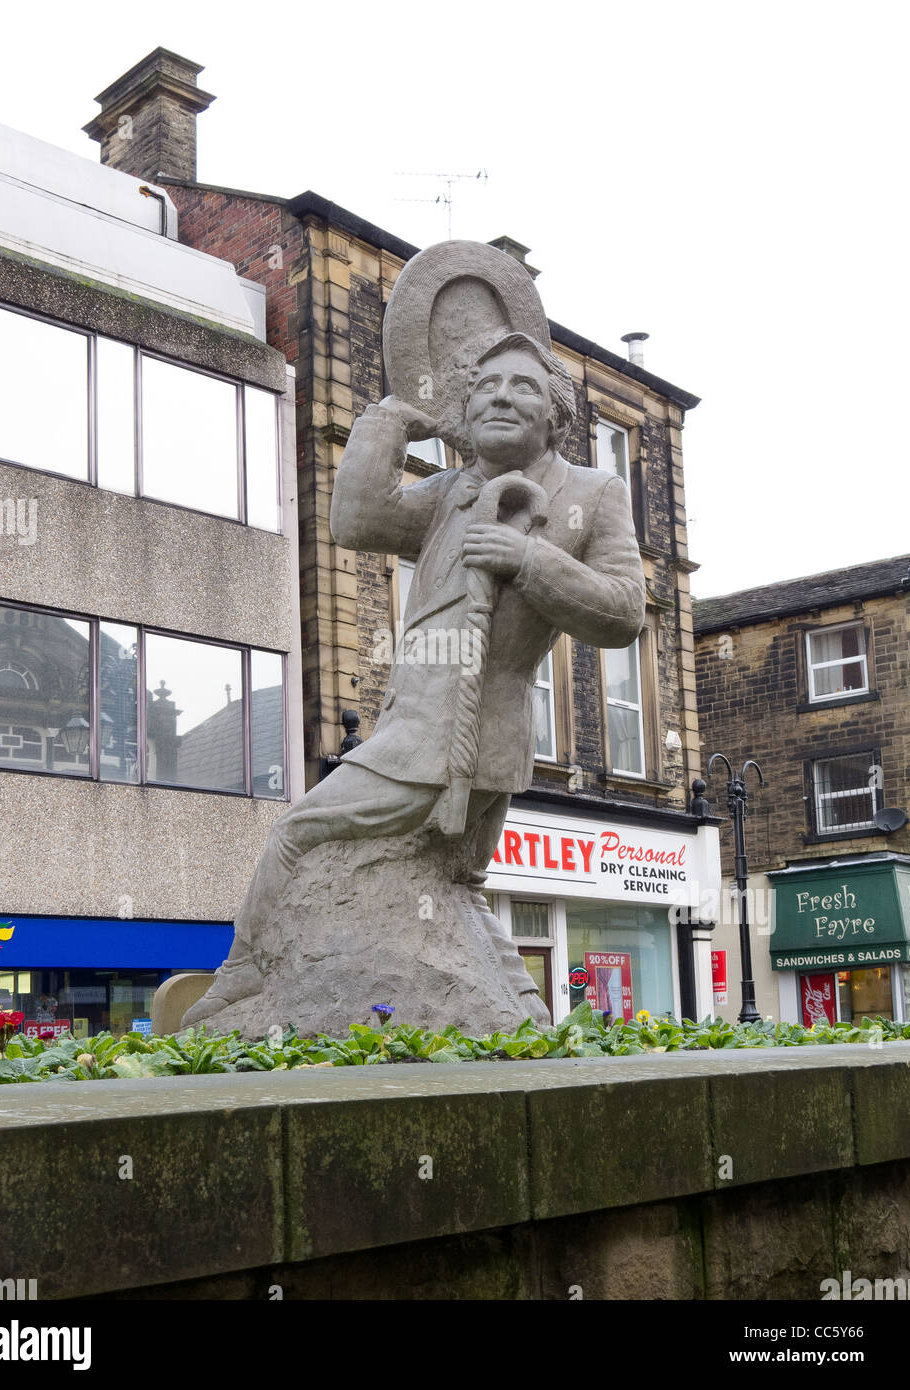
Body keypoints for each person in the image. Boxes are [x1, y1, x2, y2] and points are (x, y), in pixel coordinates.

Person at [184, 331, 645, 1026]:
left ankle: (243, 982)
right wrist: (395, 418)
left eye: (522, 386)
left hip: (458, 741)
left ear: (555, 414)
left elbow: (623, 611)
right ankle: (521, 1015)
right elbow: (357, 519)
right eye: (485, 385)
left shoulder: (592, 492)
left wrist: (526, 559)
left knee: (297, 834)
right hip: (417, 727)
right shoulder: (450, 491)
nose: (499, 396)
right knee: (451, 882)